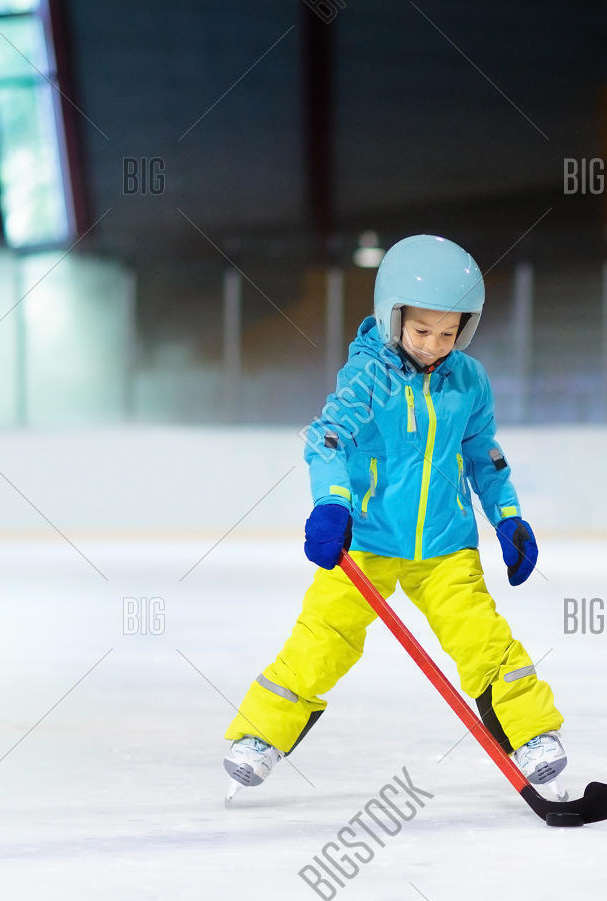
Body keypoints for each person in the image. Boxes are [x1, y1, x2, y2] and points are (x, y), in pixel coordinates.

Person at [221, 234, 566, 800]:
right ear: (392, 317)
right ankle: (261, 735)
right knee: (323, 637)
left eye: (450, 332)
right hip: (367, 543)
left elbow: (485, 456)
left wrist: (507, 518)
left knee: (483, 639)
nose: (435, 345)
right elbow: (327, 441)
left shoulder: (469, 380)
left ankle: (531, 734)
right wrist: (332, 504)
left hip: (445, 545)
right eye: (423, 330)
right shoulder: (368, 376)